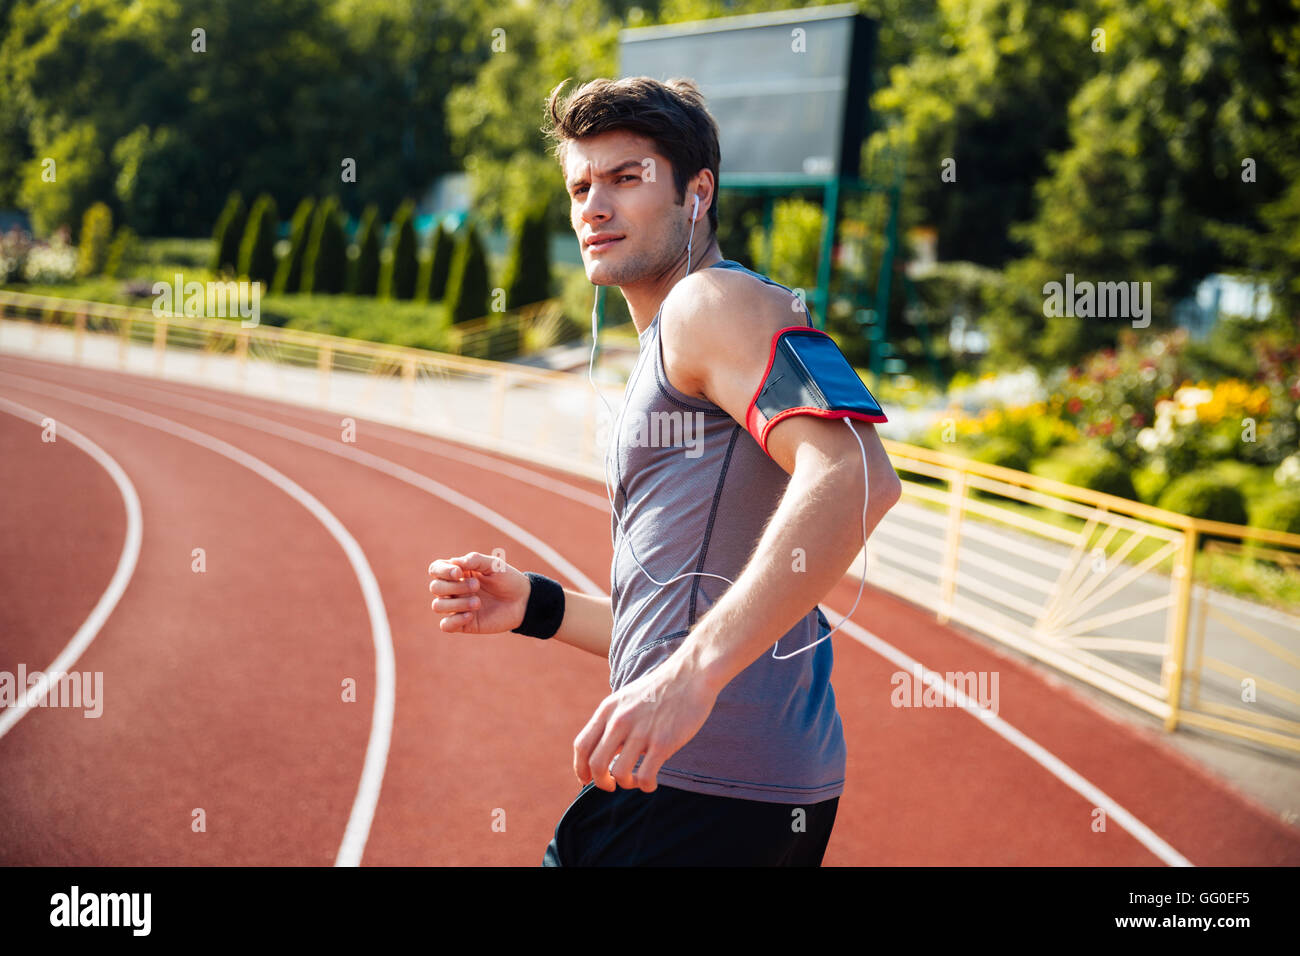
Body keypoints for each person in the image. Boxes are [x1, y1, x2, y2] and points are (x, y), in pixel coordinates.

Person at [427, 76, 902, 866]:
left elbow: (855, 475)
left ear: (697, 193)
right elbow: (686, 617)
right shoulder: (677, 338)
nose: (593, 207)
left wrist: (689, 678)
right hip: (709, 788)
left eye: (625, 177)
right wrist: (537, 607)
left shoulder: (711, 303)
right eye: (580, 186)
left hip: (700, 793)